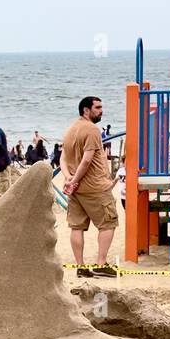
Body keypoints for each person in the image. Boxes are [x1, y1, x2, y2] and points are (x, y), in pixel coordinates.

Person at [61, 96, 118, 279]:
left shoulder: (70, 129)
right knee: (108, 223)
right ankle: (101, 264)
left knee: (76, 227)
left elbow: (63, 158)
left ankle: (81, 267)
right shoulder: (92, 130)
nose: (101, 111)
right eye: (98, 107)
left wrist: (68, 178)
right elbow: (86, 161)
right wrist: (75, 179)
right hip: (94, 187)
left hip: (76, 189)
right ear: (86, 110)